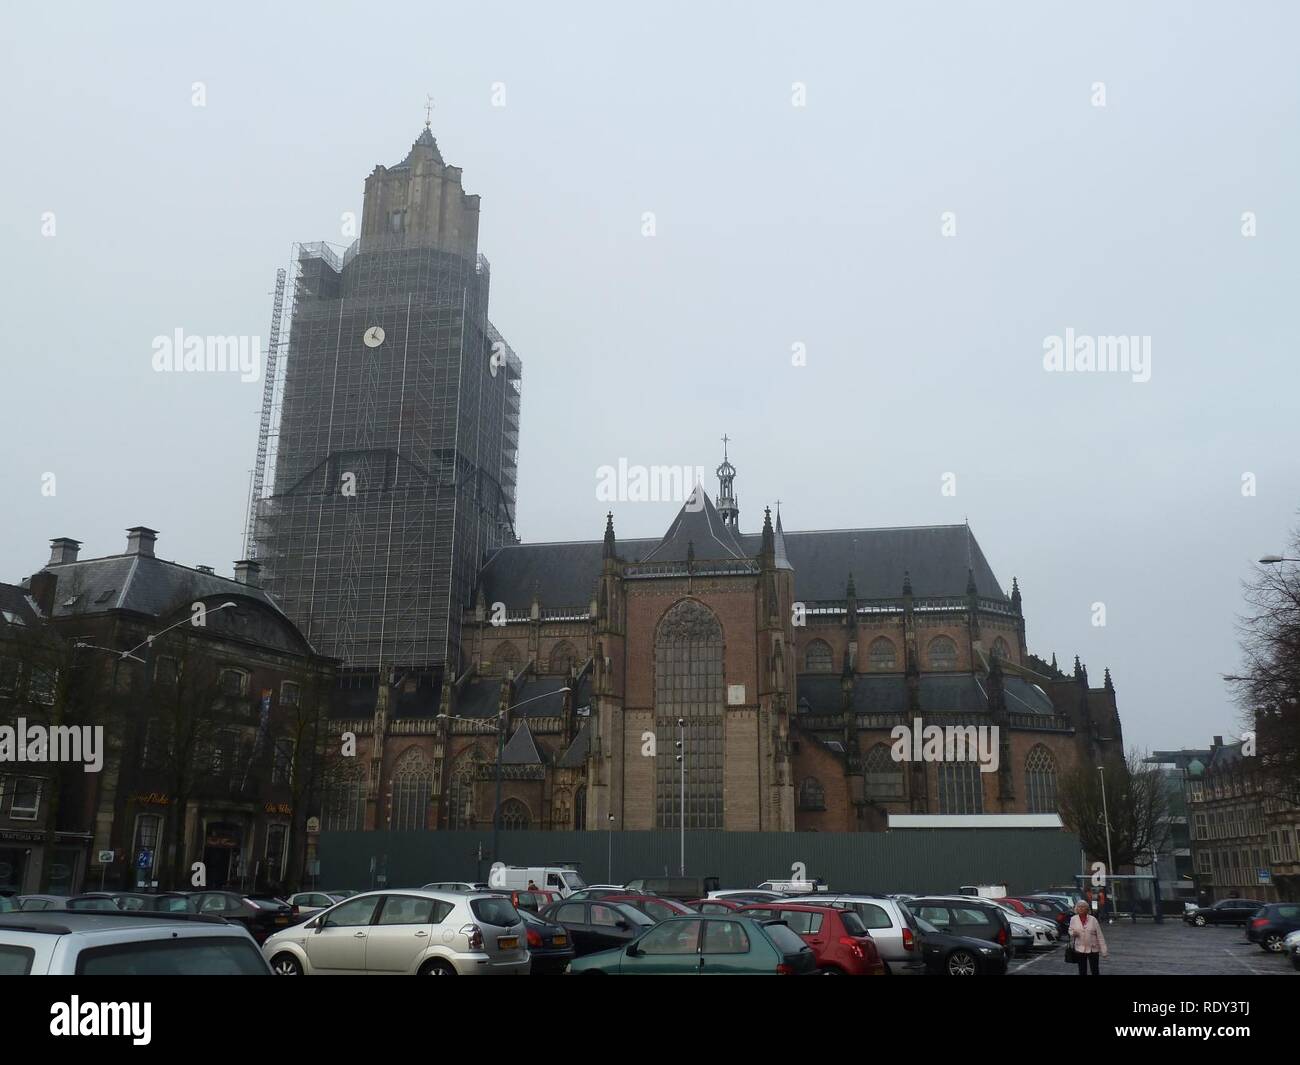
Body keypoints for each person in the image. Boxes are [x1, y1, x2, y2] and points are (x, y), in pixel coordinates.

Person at [1069, 900, 1108, 975]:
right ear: (1076, 908)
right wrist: (1073, 933)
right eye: (1079, 906)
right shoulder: (1073, 919)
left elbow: (1100, 935)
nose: (1081, 908)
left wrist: (1104, 950)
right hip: (1080, 948)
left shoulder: (1093, 919)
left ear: (1087, 909)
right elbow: (1070, 930)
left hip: (1093, 948)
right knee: (1082, 970)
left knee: (1095, 970)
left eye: (1083, 906)